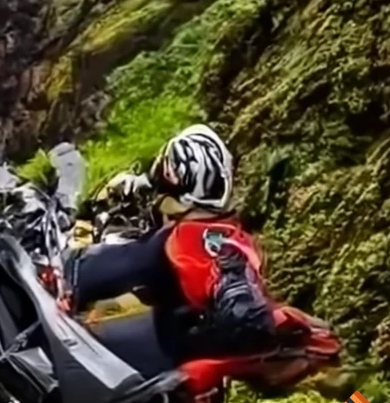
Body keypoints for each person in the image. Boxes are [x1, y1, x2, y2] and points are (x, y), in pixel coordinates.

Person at [64, 124, 276, 378]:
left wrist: (69, 266)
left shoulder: (177, 239)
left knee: (77, 334)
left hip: (155, 358)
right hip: (197, 362)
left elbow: (105, 267)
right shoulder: (231, 236)